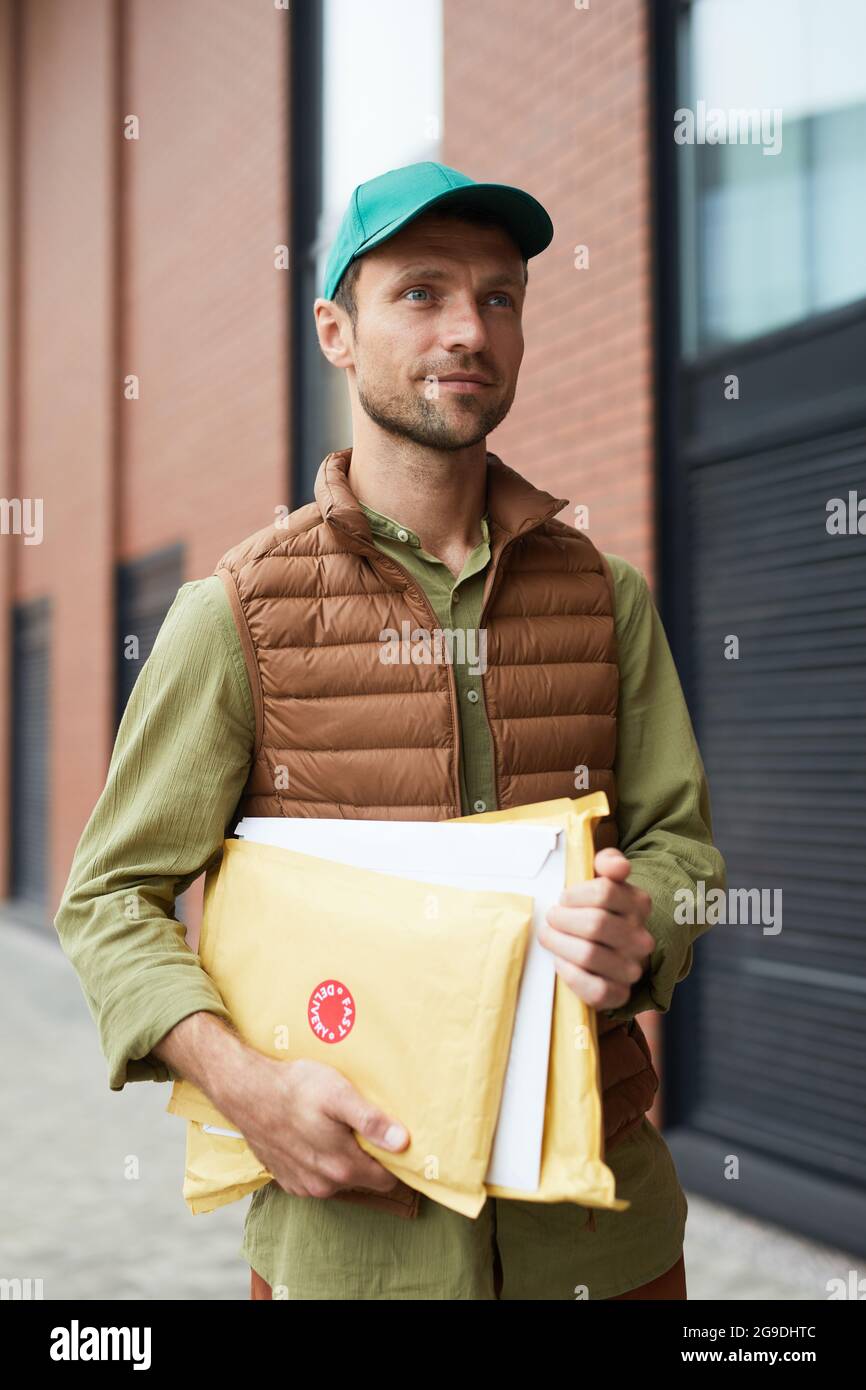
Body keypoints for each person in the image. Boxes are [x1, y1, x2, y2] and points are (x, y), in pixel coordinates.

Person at [54, 161, 725, 1300]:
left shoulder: (604, 597)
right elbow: (107, 898)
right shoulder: (235, 613)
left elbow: (684, 853)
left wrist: (642, 925)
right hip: (349, 1258)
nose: (468, 327)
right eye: (419, 292)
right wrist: (243, 1087)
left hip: (601, 1246)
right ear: (336, 332)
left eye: (498, 296)